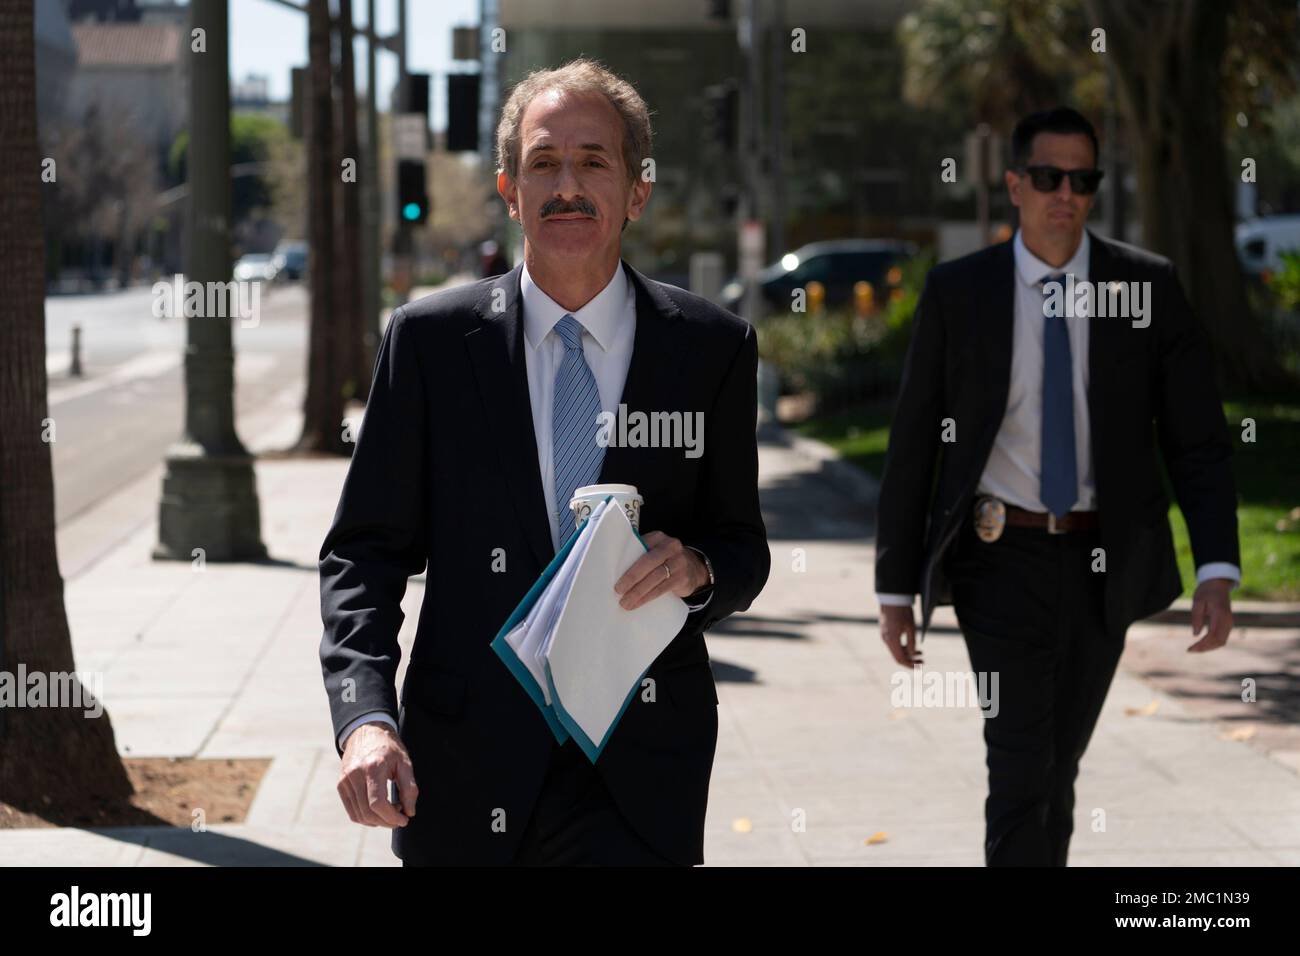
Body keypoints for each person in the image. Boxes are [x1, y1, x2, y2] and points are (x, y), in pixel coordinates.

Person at [319, 58, 770, 866]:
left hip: (638, 777)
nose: (568, 184)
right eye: (544, 163)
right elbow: (364, 552)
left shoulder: (711, 349)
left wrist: (696, 567)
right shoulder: (427, 345)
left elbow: (743, 547)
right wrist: (365, 722)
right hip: (461, 773)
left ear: (637, 191)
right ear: (509, 190)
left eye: (594, 161)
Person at [874, 107, 1240, 866]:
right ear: (1014, 184)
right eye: (1047, 177)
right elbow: (914, 445)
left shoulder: (1145, 287)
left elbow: (1197, 440)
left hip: (1103, 564)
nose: (1064, 193)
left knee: (1056, 767)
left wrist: (1216, 568)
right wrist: (894, 587)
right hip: (996, 561)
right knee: (1018, 768)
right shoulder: (960, 292)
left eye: (1083, 179)